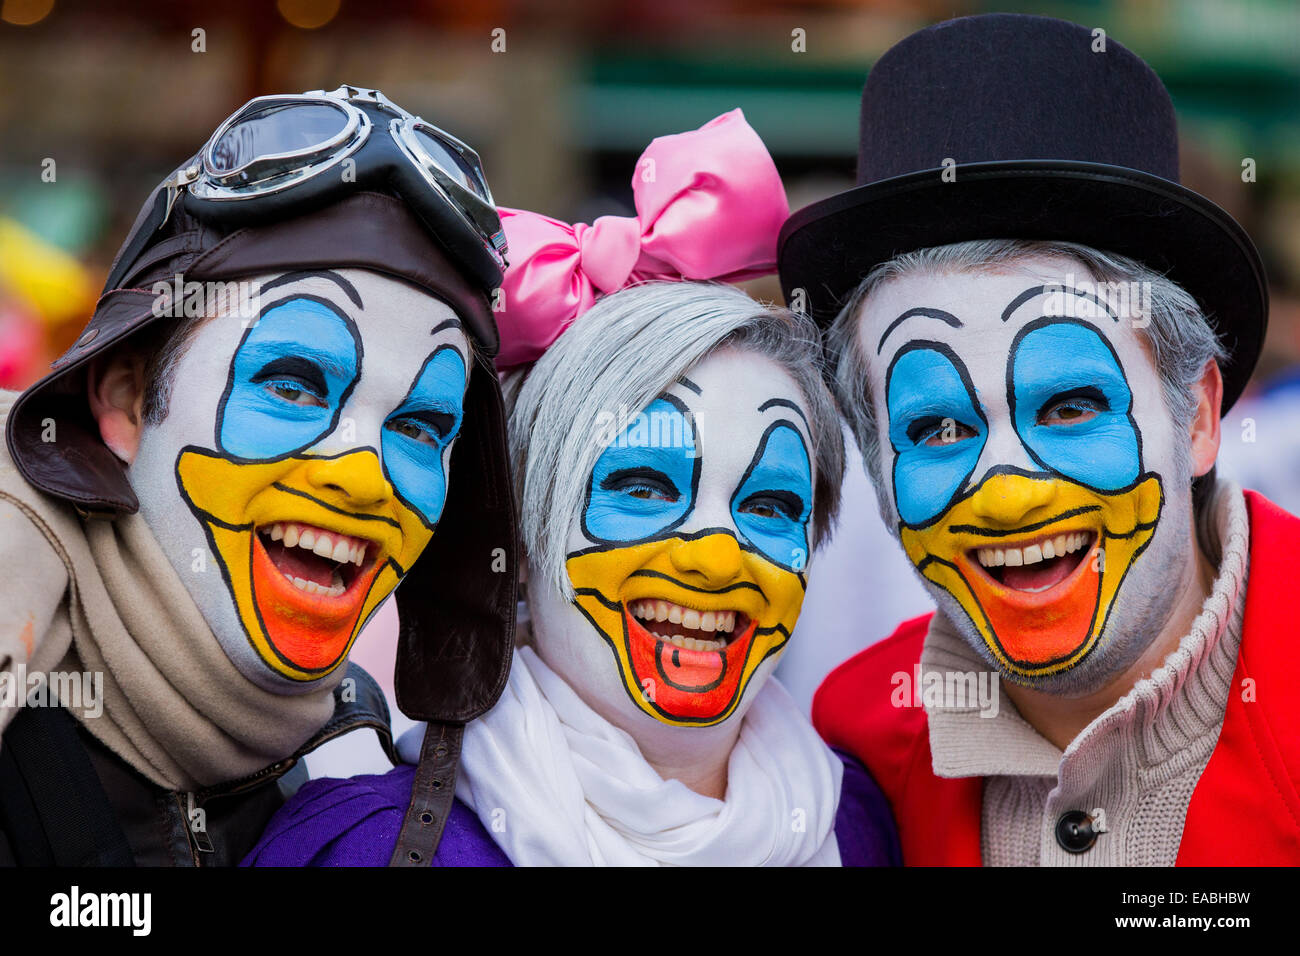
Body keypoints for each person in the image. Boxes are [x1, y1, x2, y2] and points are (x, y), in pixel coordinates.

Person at [244, 112, 900, 866]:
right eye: (644, 489)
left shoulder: (862, 824)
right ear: (521, 539)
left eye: (770, 506)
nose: (719, 561)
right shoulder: (366, 849)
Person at [779, 14, 1300, 865]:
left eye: (1068, 408)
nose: (1007, 488)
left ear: (1198, 418)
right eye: (937, 427)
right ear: (880, 473)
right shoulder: (847, 757)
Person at [0, 85, 518, 866]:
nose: (363, 478)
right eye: (293, 384)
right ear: (126, 398)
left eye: (420, 426)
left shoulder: (364, 769)